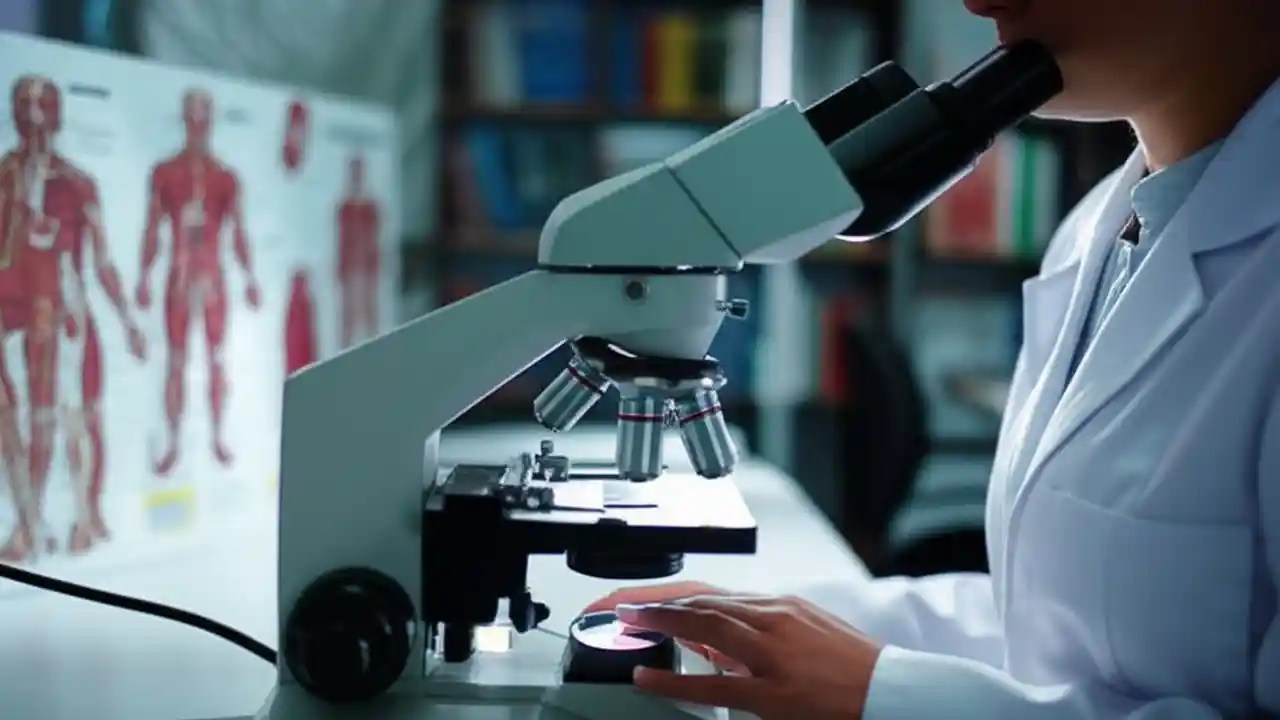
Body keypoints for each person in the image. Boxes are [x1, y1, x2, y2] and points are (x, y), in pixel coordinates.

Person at [585, 1, 1280, 717]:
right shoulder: (1101, 228)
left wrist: (884, 695)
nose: (975, 2)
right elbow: (1048, 629)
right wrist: (795, 626)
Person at [136, 89, 261, 477]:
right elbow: (152, 228)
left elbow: (238, 232)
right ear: (184, 120)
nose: (197, 126)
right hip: (178, 278)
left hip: (212, 281)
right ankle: (174, 442)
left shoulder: (225, 177)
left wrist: (249, 277)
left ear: (211, 121)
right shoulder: (164, 173)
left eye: (203, 118)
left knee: (217, 360)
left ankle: (218, 437)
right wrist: (143, 275)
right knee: (176, 362)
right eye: (191, 118)